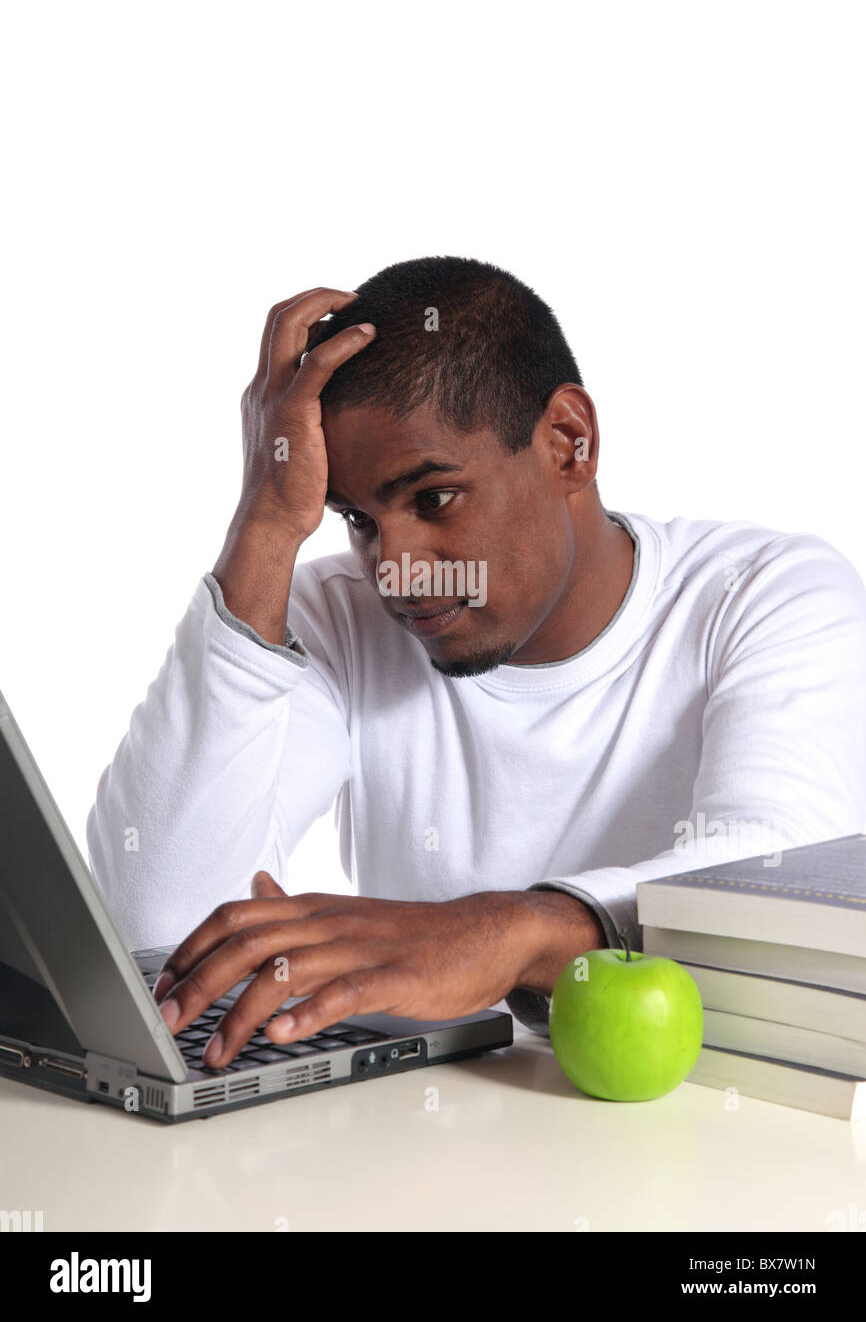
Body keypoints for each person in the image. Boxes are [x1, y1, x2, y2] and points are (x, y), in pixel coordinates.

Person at [86, 256, 866, 1071]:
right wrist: (268, 525)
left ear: (570, 443)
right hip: (413, 1155)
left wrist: (504, 935)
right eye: (355, 517)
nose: (395, 567)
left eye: (433, 499)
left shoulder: (766, 593)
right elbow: (153, 934)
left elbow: (785, 885)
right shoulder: (333, 615)